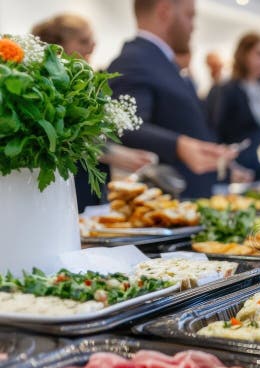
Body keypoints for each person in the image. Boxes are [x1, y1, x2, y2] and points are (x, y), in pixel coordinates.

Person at [107, 0, 237, 198]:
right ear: (165, 11)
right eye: (189, 15)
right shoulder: (135, 59)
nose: (193, 26)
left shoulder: (160, 61)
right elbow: (124, 124)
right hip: (168, 203)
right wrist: (179, 146)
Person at [31, 13, 156, 211]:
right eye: (83, 41)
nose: (92, 46)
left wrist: (118, 153)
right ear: (57, 45)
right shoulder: (41, 86)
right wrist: (112, 154)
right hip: (67, 182)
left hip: (88, 180)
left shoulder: (82, 82)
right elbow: (60, 135)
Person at [211, 32, 260, 181]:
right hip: (238, 174)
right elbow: (216, 134)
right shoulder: (227, 91)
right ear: (244, 55)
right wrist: (229, 169)